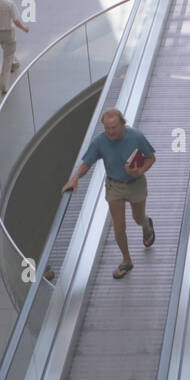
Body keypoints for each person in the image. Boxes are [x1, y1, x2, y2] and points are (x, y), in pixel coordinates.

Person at [61, 107, 157, 279]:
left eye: (114, 127)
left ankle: (146, 225)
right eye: (107, 128)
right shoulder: (100, 141)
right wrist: (75, 178)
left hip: (136, 184)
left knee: (138, 218)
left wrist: (139, 170)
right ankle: (126, 260)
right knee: (119, 228)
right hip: (115, 186)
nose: (110, 132)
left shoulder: (136, 136)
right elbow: (86, 163)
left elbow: (151, 157)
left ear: (122, 124)